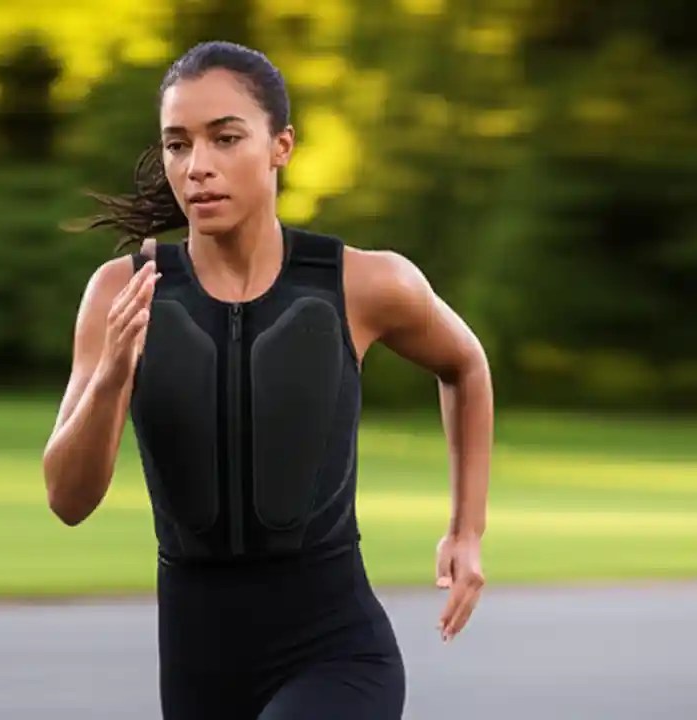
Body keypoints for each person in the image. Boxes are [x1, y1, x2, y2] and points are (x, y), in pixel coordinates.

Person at [43, 40, 493, 720]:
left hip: (337, 651)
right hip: (199, 667)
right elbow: (68, 500)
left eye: (225, 139)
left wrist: (467, 531)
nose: (197, 167)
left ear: (280, 145)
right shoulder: (123, 294)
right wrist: (111, 377)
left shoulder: (363, 284)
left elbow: (465, 365)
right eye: (177, 145)